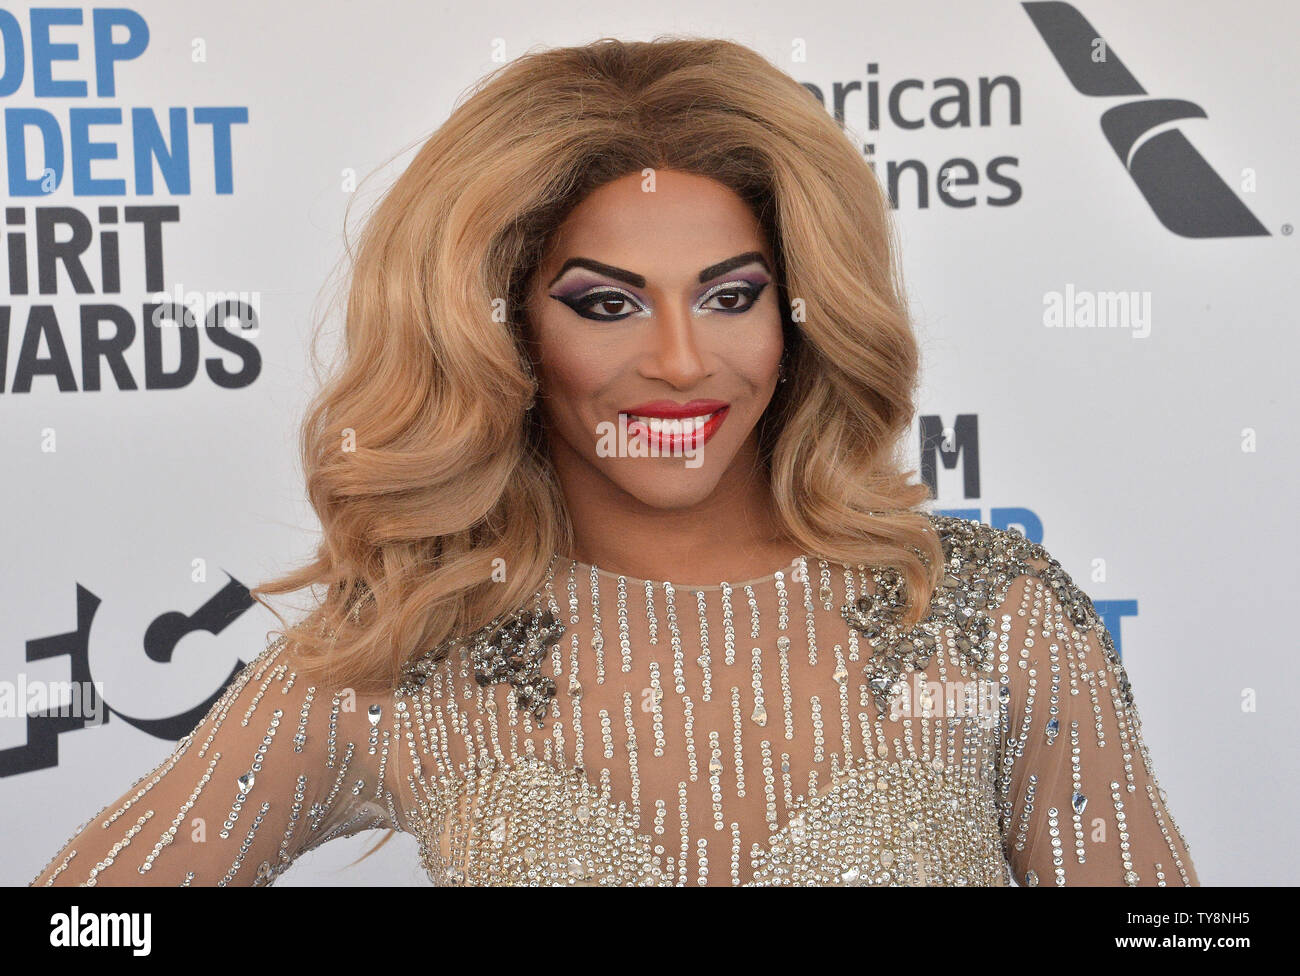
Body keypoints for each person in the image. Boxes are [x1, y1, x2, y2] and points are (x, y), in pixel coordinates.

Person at [30, 36, 1197, 887]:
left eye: (730, 296)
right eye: (606, 304)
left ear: (798, 317)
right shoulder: (410, 652)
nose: (682, 361)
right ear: (501, 328)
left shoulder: (990, 615)